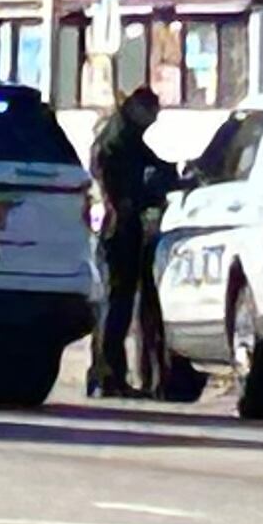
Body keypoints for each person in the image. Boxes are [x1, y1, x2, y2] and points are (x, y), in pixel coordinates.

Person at [86, 85, 177, 399]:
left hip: (125, 224)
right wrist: (121, 203)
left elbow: (153, 163)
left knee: (121, 303)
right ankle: (106, 375)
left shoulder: (128, 135)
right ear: (137, 108)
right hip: (118, 228)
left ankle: (110, 375)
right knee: (116, 303)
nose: (154, 119)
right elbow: (105, 169)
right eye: (151, 112)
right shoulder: (117, 136)